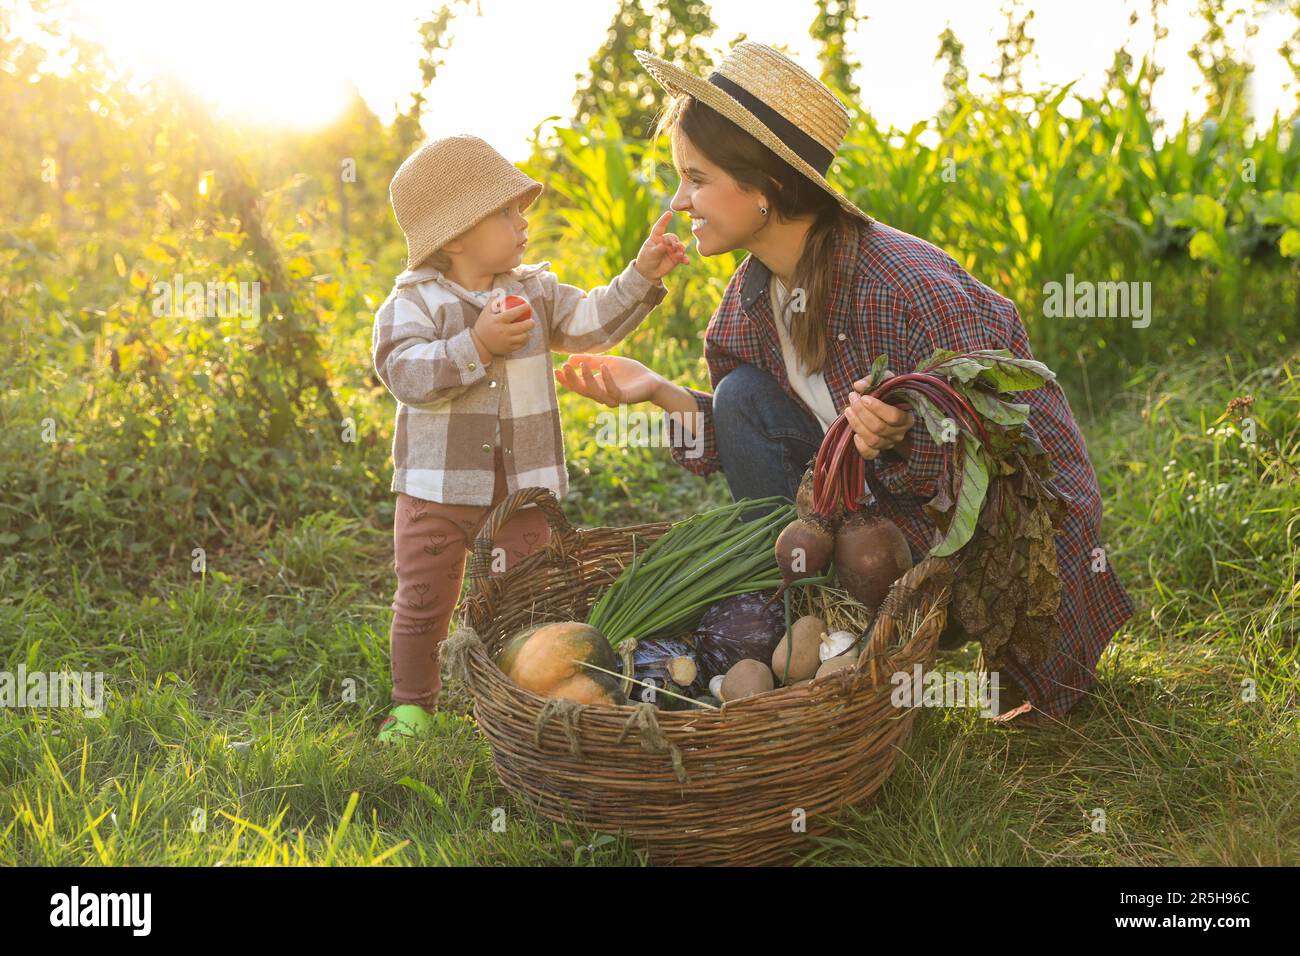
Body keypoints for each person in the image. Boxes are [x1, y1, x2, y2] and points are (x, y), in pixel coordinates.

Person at [554, 43, 1135, 726]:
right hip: (865, 516)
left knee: (914, 586)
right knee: (740, 395)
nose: (680, 201)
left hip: (968, 532)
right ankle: (824, 632)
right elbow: (742, 434)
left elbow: (1013, 463)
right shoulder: (752, 297)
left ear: (763, 187)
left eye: (696, 178)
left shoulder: (907, 289)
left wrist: (905, 439)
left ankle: (878, 640)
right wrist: (655, 390)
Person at [372, 134, 688, 742]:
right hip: (434, 491)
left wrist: (640, 277)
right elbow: (405, 375)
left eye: (522, 210)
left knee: (533, 598)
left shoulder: (535, 291)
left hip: (521, 495)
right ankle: (413, 704)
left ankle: (525, 696)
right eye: (505, 212)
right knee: (422, 602)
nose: (523, 223)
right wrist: (477, 346)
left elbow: (592, 323)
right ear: (455, 233)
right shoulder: (414, 301)